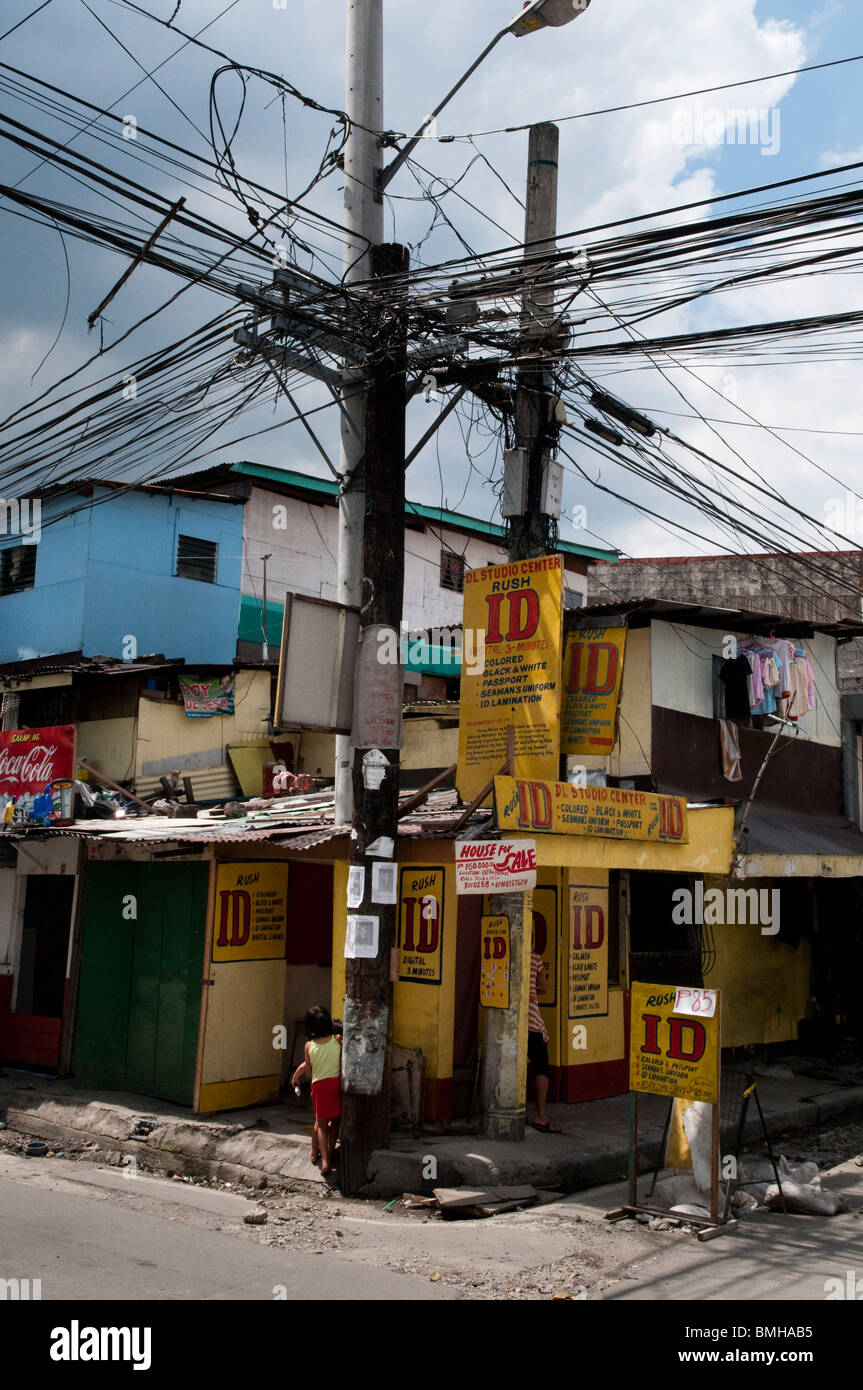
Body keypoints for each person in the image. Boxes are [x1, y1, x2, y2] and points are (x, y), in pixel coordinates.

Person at [292, 1005, 342, 1175]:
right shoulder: (337, 1040)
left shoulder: (309, 1046)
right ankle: (328, 1151)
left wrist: (298, 1077)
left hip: (319, 1085)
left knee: (321, 1124)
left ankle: (325, 1161)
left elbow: (309, 1070)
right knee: (334, 1121)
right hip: (336, 1083)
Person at [528, 953, 561, 1133]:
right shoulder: (535, 959)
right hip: (531, 1021)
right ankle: (540, 1116)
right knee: (541, 1067)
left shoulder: (506, 953)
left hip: (508, 1019)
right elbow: (543, 987)